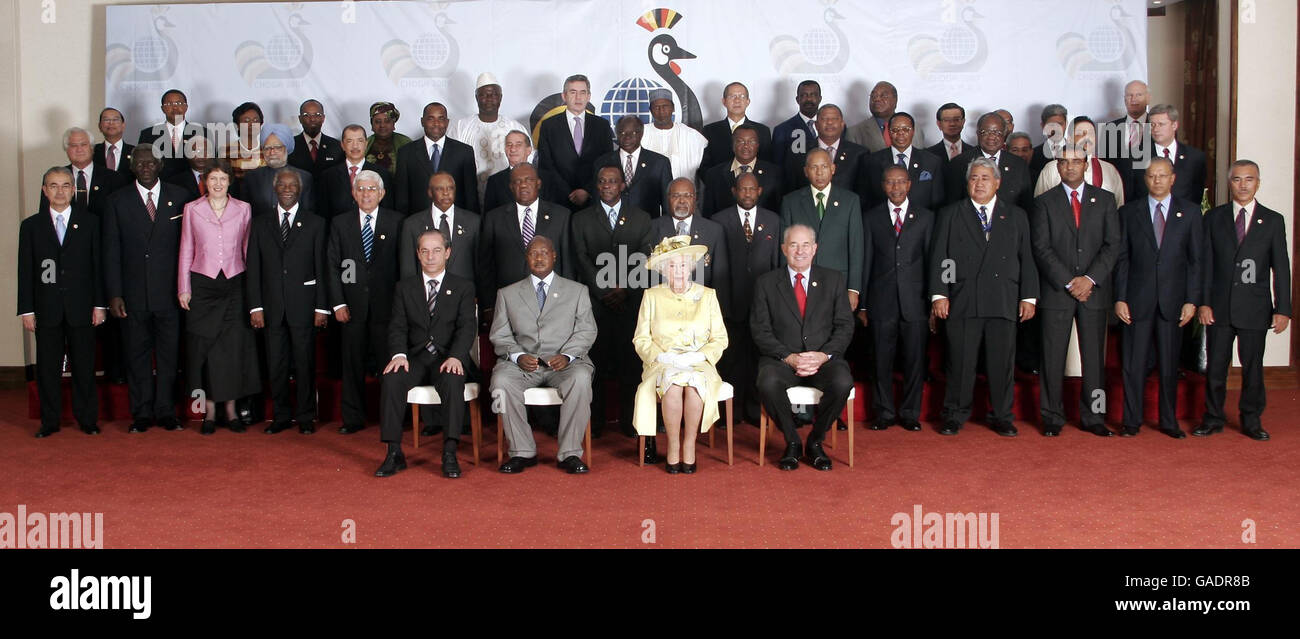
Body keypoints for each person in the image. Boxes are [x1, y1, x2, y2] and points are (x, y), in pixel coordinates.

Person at [930, 158, 1039, 437]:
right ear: (967, 183)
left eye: (985, 178)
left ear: (998, 183)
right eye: (974, 178)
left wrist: (1029, 297)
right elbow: (940, 257)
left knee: (1001, 363)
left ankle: (1002, 415)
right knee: (960, 362)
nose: (979, 183)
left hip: (1003, 298)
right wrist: (940, 294)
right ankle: (954, 414)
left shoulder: (1016, 216)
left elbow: (1026, 258)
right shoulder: (951, 214)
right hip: (963, 298)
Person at [1196, 160, 1292, 441]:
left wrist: (1282, 308)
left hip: (1255, 308)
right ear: (1230, 182)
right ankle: (1212, 418)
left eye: (1249, 179)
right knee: (1216, 367)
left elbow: (1281, 268)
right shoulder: (1214, 218)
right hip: (1219, 308)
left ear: (1258, 183)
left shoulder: (1273, 221)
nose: (1243, 185)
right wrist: (1203, 302)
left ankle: (1251, 420)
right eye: (1237, 179)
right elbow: (1205, 265)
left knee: (1253, 368)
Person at [1029, 146, 1121, 437]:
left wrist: (1090, 279)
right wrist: (1070, 281)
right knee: (1052, 357)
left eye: (1076, 161)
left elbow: (1112, 245)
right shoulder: (1044, 203)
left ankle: (1094, 417)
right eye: (1064, 161)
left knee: (1094, 360)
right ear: (1057, 166)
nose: (1070, 166)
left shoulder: (1105, 200)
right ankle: (1052, 417)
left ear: (1086, 164)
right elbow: (1041, 248)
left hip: (1093, 292)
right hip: (1058, 291)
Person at [488, 237, 597, 475]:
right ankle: (521, 451)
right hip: (523, 365)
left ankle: (569, 453)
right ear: (526, 258)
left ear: (554, 256)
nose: (539, 258)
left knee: (580, 379)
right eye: (533, 254)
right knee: (501, 382)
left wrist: (568, 355)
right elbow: (499, 334)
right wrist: (517, 356)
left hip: (565, 364)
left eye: (544, 253)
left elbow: (587, 330)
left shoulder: (577, 291)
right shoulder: (507, 294)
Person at [751, 224, 855, 471]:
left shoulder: (833, 280)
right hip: (782, 359)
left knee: (842, 382)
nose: (800, 251)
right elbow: (760, 330)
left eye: (806, 244)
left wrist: (823, 355)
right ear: (784, 249)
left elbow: (844, 326)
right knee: (766, 381)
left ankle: (816, 441)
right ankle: (792, 441)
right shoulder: (766, 283)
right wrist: (788, 357)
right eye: (794, 245)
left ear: (815, 248)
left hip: (823, 359)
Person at [375, 229, 478, 478]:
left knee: (453, 380)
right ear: (418, 255)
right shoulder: (404, 287)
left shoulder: (463, 286)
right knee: (392, 378)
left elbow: (467, 327)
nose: (430, 256)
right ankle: (393, 452)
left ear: (448, 253)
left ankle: (450, 452)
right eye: (425, 251)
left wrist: (456, 356)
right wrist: (398, 354)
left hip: (448, 357)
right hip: (416, 358)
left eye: (436, 250)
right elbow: (397, 326)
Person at [1113, 157, 1202, 438]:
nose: (1157, 181)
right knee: (1133, 364)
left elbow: (1196, 261)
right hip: (1136, 300)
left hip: (1174, 302)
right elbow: (1122, 258)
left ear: (1173, 178)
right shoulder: (1130, 212)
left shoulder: (1190, 213)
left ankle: (1168, 421)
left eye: (1163, 176)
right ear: (1145, 178)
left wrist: (1191, 300)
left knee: (1168, 365)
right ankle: (1131, 420)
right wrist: (1120, 297)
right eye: (1152, 176)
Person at [103, 146, 188, 434]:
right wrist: (114, 293)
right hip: (133, 294)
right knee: (136, 355)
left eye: (151, 162)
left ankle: (166, 411)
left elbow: (188, 248)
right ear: (132, 166)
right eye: (140, 162)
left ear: (160, 164)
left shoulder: (180, 197)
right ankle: (141, 413)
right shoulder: (117, 201)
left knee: (169, 356)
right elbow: (111, 250)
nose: (146, 166)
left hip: (170, 294)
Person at [18, 167, 107, 438]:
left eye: (65, 185)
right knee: (47, 368)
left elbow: (97, 267)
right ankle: (50, 421)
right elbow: (26, 271)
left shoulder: (90, 222)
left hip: (82, 307)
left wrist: (99, 305)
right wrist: (27, 309)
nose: (59, 191)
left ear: (74, 190)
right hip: (46, 309)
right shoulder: (31, 226)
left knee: (83, 366)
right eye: (53, 186)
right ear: (45, 191)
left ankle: (87, 418)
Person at [177, 161, 262, 434]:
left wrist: (254, 291)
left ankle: (232, 410)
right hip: (203, 284)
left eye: (222, 179)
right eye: (212, 179)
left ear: (229, 182)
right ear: (204, 182)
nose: (217, 184)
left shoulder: (243, 208)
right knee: (206, 349)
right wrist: (184, 287)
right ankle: (210, 411)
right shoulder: (192, 209)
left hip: (236, 283)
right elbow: (186, 248)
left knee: (234, 348)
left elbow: (249, 250)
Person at [571, 167, 654, 441]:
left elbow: (645, 255)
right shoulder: (581, 219)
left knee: (631, 366)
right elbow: (580, 258)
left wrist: (625, 289)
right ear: (596, 185)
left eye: (613, 181)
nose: (607, 185)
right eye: (602, 181)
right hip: (595, 305)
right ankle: (594, 423)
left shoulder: (642, 218)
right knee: (593, 365)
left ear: (622, 185)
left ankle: (630, 422)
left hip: (630, 305)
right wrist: (605, 289)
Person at [633, 236, 729, 474]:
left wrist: (699, 357)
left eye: (683, 265)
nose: (678, 271)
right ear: (665, 270)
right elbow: (641, 338)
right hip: (662, 362)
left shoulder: (708, 296)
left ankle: (690, 445)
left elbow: (720, 338)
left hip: (699, 362)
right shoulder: (652, 296)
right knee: (674, 385)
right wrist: (661, 357)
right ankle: (673, 446)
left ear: (691, 267)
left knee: (695, 385)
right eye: (672, 266)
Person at [246, 168, 330, 434]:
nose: (287, 188)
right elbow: (253, 268)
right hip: (271, 308)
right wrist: (255, 306)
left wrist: (321, 306)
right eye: (282, 184)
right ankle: (281, 416)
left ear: (300, 189)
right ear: (275, 187)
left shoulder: (316, 223)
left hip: (304, 306)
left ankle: (306, 417)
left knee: (305, 363)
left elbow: (321, 267)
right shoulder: (260, 223)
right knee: (276, 364)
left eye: (292, 185)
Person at [327, 170, 403, 435]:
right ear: (353, 193)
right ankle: (353, 418)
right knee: (352, 364)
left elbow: (404, 269)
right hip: (352, 307)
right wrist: (337, 303)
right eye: (361, 189)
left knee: (389, 364)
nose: (366, 193)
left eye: (372, 189)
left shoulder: (397, 222)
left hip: (388, 308)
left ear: (381, 193)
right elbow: (333, 266)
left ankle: (391, 417)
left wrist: (402, 307)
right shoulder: (340, 223)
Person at [860, 165, 934, 432]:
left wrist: (933, 300)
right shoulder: (871, 217)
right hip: (882, 301)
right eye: (890, 183)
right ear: (883, 186)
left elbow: (932, 263)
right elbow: (866, 261)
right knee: (881, 360)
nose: (896, 188)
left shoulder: (925, 218)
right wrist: (865, 303)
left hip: (915, 303)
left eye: (900, 182)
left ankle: (910, 412)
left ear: (909, 184)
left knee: (915, 360)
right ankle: (884, 412)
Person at [713, 172, 781, 427]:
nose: (748, 194)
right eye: (743, 189)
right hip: (730, 304)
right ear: (734, 191)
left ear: (760, 191)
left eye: (752, 189)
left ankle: (754, 409)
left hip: (762, 306)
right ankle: (728, 412)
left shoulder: (774, 221)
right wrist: (721, 305)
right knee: (729, 360)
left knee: (757, 360)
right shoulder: (719, 221)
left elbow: (777, 265)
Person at [478, 163, 572, 314]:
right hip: (509, 303)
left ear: (538, 183)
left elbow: (568, 264)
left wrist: (569, 300)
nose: (523, 185)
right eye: (517, 181)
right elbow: (486, 266)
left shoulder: (561, 216)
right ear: (510, 186)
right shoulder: (494, 218)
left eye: (528, 180)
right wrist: (489, 305)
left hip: (553, 301)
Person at [780, 149, 863, 310]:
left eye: (824, 166)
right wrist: (785, 285)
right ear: (806, 171)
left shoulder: (850, 201)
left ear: (833, 169)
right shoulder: (791, 201)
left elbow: (856, 247)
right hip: (801, 281)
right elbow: (784, 248)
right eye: (814, 167)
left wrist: (853, 289)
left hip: (839, 282)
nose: (819, 172)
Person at [536, 74, 613, 209]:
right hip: (559, 201)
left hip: (594, 200)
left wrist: (588, 190)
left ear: (588, 96)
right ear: (564, 96)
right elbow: (546, 165)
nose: (578, 97)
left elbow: (607, 163)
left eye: (583, 92)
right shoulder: (549, 126)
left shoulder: (602, 126)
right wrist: (567, 192)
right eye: (573, 92)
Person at [453, 72, 527, 201]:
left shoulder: (515, 127)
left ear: (500, 98)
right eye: (483, 95)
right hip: (469, 195)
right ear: (476, 98)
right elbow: (452, 162)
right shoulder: (461, 127)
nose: (489, 99)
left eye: (494, 95)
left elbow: (527, 165)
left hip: (507, 196)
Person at [395, 102, 479, 214]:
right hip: (417, 223)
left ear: (447, 122)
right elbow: (401, 197)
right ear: (422, 121)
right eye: (431, 118)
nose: (436, 123)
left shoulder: (464, 152)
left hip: (455, 224)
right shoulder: (406, 152)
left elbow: (471, 196)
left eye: (441, 118)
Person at [399, 172, 480, 282]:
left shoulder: (473, 222)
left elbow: (480, 264)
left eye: (450, 188)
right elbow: (408, 268)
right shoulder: (412, 224)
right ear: (430, 192)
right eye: (439, 189)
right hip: (425, 294)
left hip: (464, 294)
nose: (446, 193)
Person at [650, 178, 727, 289]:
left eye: (687, 196)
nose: (682, 201)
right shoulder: (652, 228)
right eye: (676, 196)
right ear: (668, 199)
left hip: (701, 303)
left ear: (695, 199)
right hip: (663, 302)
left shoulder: (714, 231)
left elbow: (720, 279)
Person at [860, 112, 945, 212]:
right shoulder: (871, 161)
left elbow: (938, 202)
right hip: (882, 223)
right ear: (888, 132)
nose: (901, 133)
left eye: (906, 129)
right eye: (895, 130)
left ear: (913, 131)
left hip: (922, 224)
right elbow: (865, 201)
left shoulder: (932, 161)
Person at [590, 115, 673, 217]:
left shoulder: (660, 163)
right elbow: (596, 201)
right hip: (611, 228)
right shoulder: (602, 162)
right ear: (616, 134)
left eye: (633, 133)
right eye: (622, 133)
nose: (627, 137)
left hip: (648, 227)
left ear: (641, 134)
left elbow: (668, 203)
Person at [946, 112, 1032, 210]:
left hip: (1010, 223)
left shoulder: (1018, 164)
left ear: (1004, 134)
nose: (991, 137)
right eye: (985, 132)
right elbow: (952, 205)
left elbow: (1026, 204)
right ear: (977, 133)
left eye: (997, 132)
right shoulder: (959, 163)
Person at [1033, 116, 1127, 205]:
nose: (1086, 137)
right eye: (1080, 133)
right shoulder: (1052, 168)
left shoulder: (1109, 170)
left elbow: (1118, 207)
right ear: (1069, 139)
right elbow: (1040, 206)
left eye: (1090, 133)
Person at [1128, 104, 1207, 204]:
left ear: (1174, 125)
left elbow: (1197, 195)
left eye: (1161, 124)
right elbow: (1130, 195)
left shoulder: (1195, 157)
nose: (1155, 129)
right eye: (1152, 125)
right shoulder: (1136, 156)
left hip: (1183, 217)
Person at [783, 104, 867, 197]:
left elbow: (863, 194)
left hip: (846, 210)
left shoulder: (859, 153)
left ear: (842, 125)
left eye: (835, 119)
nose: (830, 122)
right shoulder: (798, 152)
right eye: (824, 119)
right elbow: (790, 189)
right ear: (816, 125)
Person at [700, 125, 782, 215]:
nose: (746, 146)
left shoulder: (774, 173)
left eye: (751, 141)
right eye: (740, 141)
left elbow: (778, 210)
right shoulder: (714, 174)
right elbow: (708, 214)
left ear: (758, 145)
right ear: (733, 145)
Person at [238, 124, 316, 218]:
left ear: (286, 148)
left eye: (278, 147)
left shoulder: (304, 177)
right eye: (267, 148)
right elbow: (244, 213)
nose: (272, 152)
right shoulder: (252, 177)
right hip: (261, 230)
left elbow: (308, 213)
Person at [318, 124, 395, 218]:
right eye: (349, 141)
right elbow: (323, 213)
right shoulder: (328, 176)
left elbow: (387, 210)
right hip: (338, 230)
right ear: (342, 145)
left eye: (360, 141)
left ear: (366, 143)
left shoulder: (382, 174)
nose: (355, 146)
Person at [482, 129, 568, 213]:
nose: (513, 149)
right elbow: (490, 219)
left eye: (518, 144)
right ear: (505, 149)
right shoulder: (494, 181)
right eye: (509, 145)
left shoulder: (547, 179)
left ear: (529, 150)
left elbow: (557, 213)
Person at [700, 82, 772, 171]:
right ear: (724, 101)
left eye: (741, 96)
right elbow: (704, 166)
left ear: (748, 101)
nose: (737, 100)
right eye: (732, 96)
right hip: (720, 183)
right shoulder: (709, 131)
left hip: (754, 184)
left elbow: (768, 165)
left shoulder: (762, 131)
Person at [640, 89, 707, 182]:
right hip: (648, 193)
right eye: (656, 107)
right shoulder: (641, 133)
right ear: (650, 110)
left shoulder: (691, 135)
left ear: (673, 108)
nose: (661, 111)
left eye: (665, 106)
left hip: (683, 193)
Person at [137, 88, 202, 178]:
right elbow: (141, 164)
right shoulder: (148, 135)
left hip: (192, 188)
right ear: (163, 108)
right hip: (161, 187)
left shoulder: (201, 133)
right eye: (169, 104)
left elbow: (210, 165)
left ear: (186, 107)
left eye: (179, 103)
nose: (175, 107)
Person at [846, 81, 924, 152]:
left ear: (895, 100)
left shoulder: (915, 129)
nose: (877, 99)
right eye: (873, 96)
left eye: (884, 96)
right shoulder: (854, 133)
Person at [770, 80, 821, 168]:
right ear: (797, 99)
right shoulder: (782, 130)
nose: (808, 99)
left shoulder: (834, 128)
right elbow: (777, 167)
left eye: (813, 95)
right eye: (804, 95)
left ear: (820, 98)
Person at [288, 99, 343, 180]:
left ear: (323, 118)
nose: (312, 119)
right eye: (306, 115)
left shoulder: (336, 146)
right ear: (300, 119)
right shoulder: (290, 145)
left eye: (317, 115)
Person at [365, 101, 410, 174]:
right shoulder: (364, 144)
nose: (382, 125)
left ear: (393, 124)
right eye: (377, 121)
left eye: (387, 121)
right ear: (372, 125)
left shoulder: (406, 143)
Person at [223, 101, 265, 180]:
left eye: (256, 120)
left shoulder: (268, 149)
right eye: (246, 121)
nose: (252, 124)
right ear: (237, 125)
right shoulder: (226, 151)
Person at [1028, 104, 1068, 183]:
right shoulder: (1033, 154)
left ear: (1066, 124)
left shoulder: (1078, 151)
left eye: (1060, 124)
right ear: (1043, 126)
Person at [95, 107, 135, 180]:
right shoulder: (92, 151)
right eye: (106, 120)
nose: (111, 123)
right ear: (100, 126)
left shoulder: (135, 152)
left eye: (115, 120)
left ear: (123, 125)